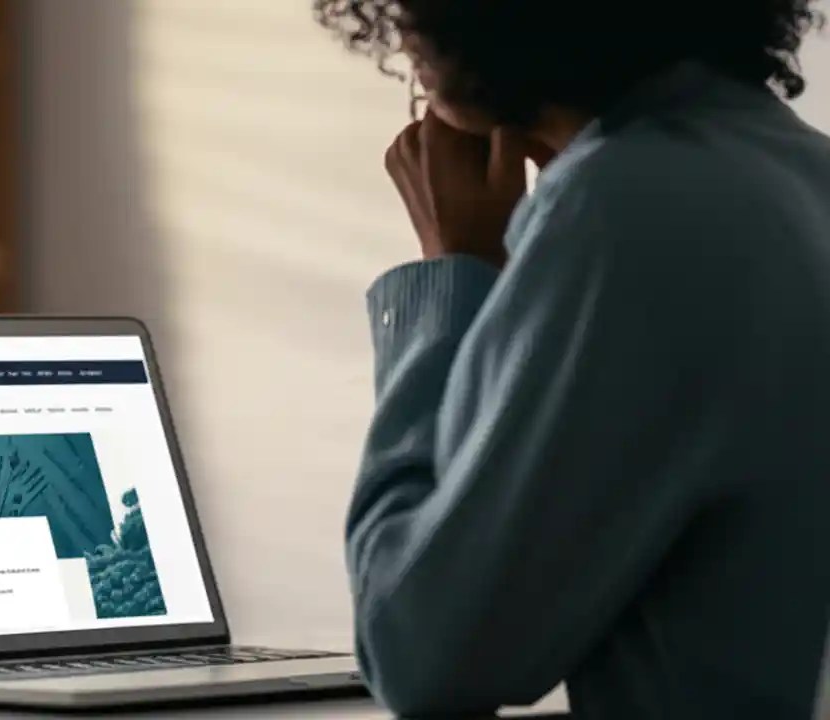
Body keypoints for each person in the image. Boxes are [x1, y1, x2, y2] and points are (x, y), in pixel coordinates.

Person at [314, 1, 830, 717]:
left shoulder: (622, 207)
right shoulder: (803, 170)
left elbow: (422, 656)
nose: (399, 25)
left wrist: (452, 274)